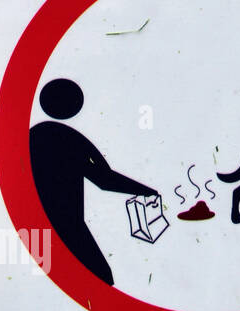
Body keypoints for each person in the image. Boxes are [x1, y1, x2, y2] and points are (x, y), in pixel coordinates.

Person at [30, 78, 158, 286]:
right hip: (68, 225)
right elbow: (104, 179)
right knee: (101, 277)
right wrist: (146, 191)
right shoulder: (72, 139)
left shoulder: (34, 134)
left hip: (35, 227)